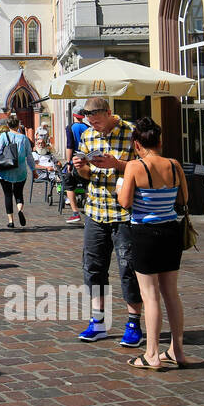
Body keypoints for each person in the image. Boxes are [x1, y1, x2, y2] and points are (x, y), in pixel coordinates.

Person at [117, 117, 189, 371]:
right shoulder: (174, 165)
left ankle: (152, 354)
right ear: (159, 141)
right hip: (171, 232)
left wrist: (120, 189)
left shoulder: (135, 167)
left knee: (150, 296)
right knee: (171, 294)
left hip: (145, 233)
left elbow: (125, 203)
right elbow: (184, 198)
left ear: (137, 144)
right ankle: (177, 350)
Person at [71, 96, 142, 347]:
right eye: (90, 121)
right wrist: (81, 167)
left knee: (129, 269)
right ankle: (98, 322)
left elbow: (146, 169)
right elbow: (87, 175)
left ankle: (134, 323)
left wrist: (118, 164)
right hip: (95, 210)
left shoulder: (132, 132)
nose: (94, 125)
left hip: (124, 212)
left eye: (98, 121)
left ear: (110, 112)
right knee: (93, 267)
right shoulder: (88, 136)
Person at [0, 116, 37, 229]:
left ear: (8, 126)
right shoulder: (24, 138)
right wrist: (33, 170)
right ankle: (20, 209)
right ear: (18, 125)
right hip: (21, 170)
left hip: (5, 170)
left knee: (7, 194)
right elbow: (29, 156)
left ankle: (11, 221)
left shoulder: (4, 136)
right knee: (19, 193)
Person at [65, 108, 89, 223]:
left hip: (75, 160)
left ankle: (75, 212)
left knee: (69, 184)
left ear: (73, 115)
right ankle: (90, 212)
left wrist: (69, 162)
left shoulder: (70, 127)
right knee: (87, 186)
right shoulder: (88, 127)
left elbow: (69, 146)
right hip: (87, 160)